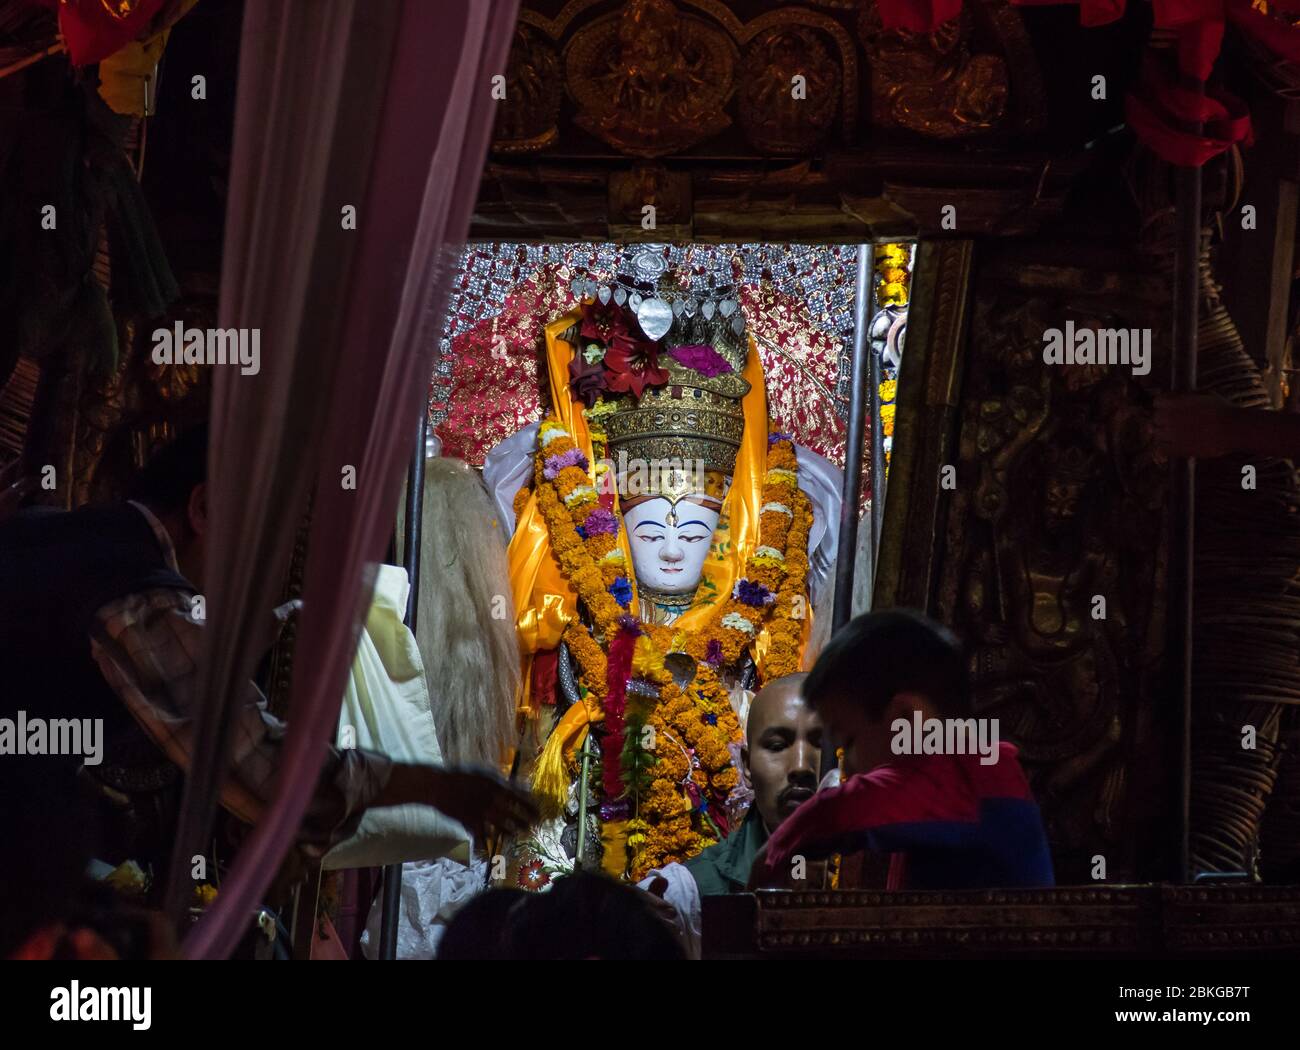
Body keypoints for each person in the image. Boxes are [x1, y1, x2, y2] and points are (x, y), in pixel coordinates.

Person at [0, 424, 536, 894]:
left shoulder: (53, 530)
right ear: (204, 508)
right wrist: (434, 787)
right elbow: (266, 778)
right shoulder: (140, 596)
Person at [750, 610, 1054, 892]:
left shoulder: (978, 774)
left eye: (850, 742)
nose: (849, 770)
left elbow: (842, 811)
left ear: (906, 719)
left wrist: (772, 854)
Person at [639, 672, 823, 955]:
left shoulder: (889, 867)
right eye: (776, 746)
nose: (801, 766)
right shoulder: (688, 895)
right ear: (747, 768)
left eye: (822, 743)